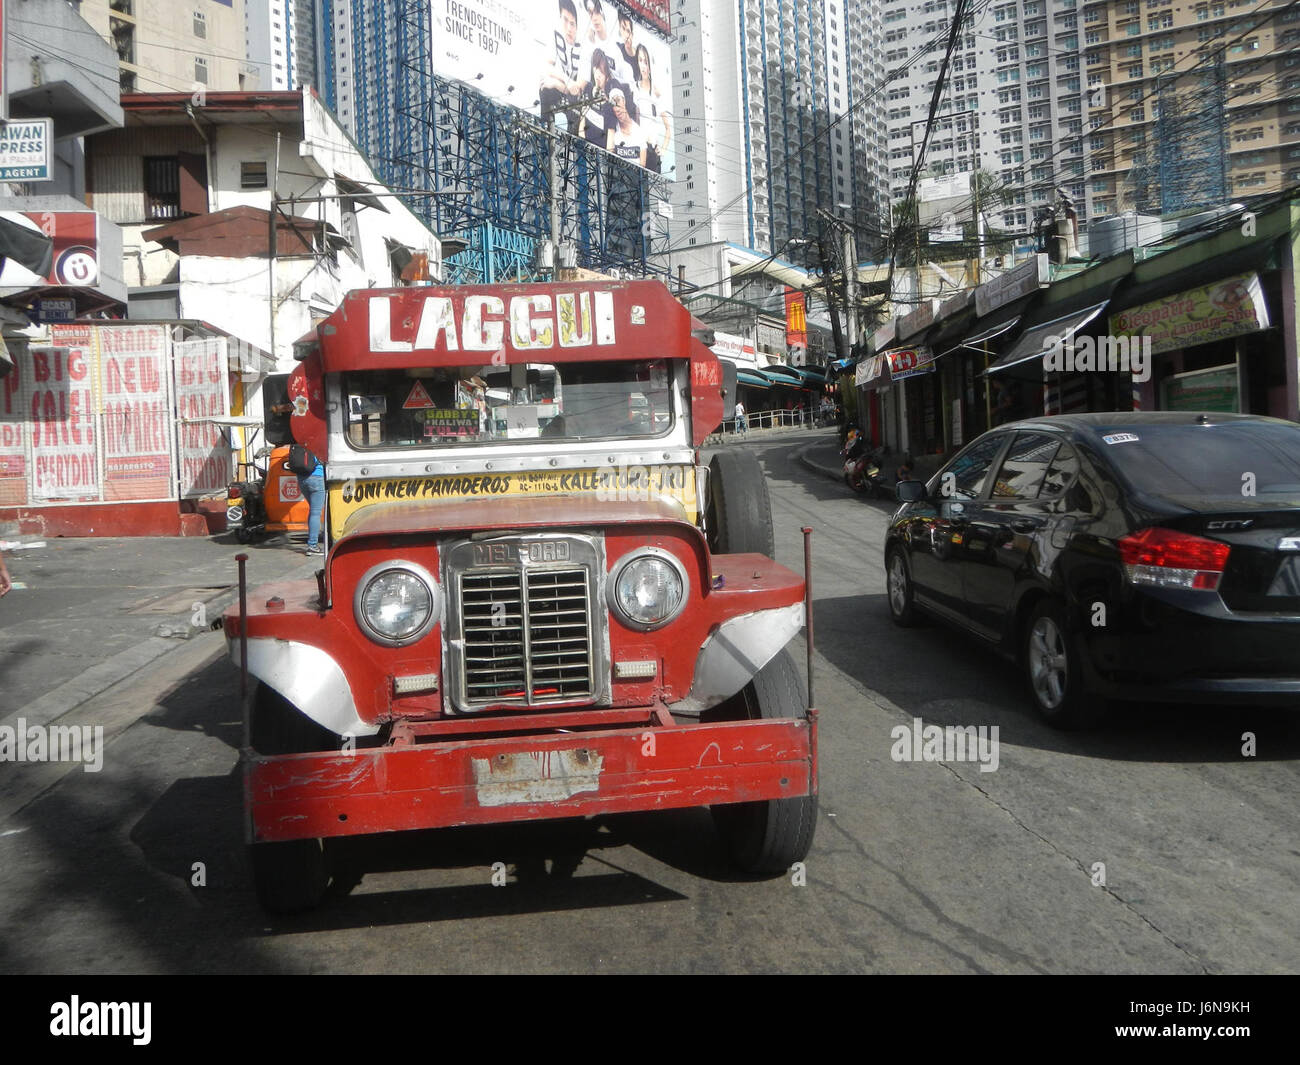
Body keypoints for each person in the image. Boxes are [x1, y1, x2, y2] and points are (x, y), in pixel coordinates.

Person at [540, 0, 583, 131]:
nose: (569, 28)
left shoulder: (583, 49)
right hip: (558, 102)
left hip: (578, 110)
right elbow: (546, 69)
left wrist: (557, 83)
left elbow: (578, 91)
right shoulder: (555, 37)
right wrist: (566, 82)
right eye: (565, 20)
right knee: (544, 88)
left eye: (572, 23)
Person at [633, 42, 671, 174]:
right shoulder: (635, 88)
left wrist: (663, 149)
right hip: (638, 148)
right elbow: (635, 120)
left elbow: (668, 128)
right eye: (640, 60)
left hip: (653, 149)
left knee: (653, 189)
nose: (643, 66)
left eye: (646, 61)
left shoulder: (656, 92)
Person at [607, 87, 647, 168]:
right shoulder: (614, 131)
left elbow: (642, 166)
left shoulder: (639, 131)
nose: (617, 108)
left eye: (618, 100)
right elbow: (609, 158)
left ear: (624, 101)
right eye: (613, 105)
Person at [297, 450, 326, 555]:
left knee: (313, 511)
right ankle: (312, 545)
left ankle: (312, 543)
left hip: (301, 479)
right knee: (316, 512)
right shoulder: (316, 442)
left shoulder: (301, 441)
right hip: (317, 478)